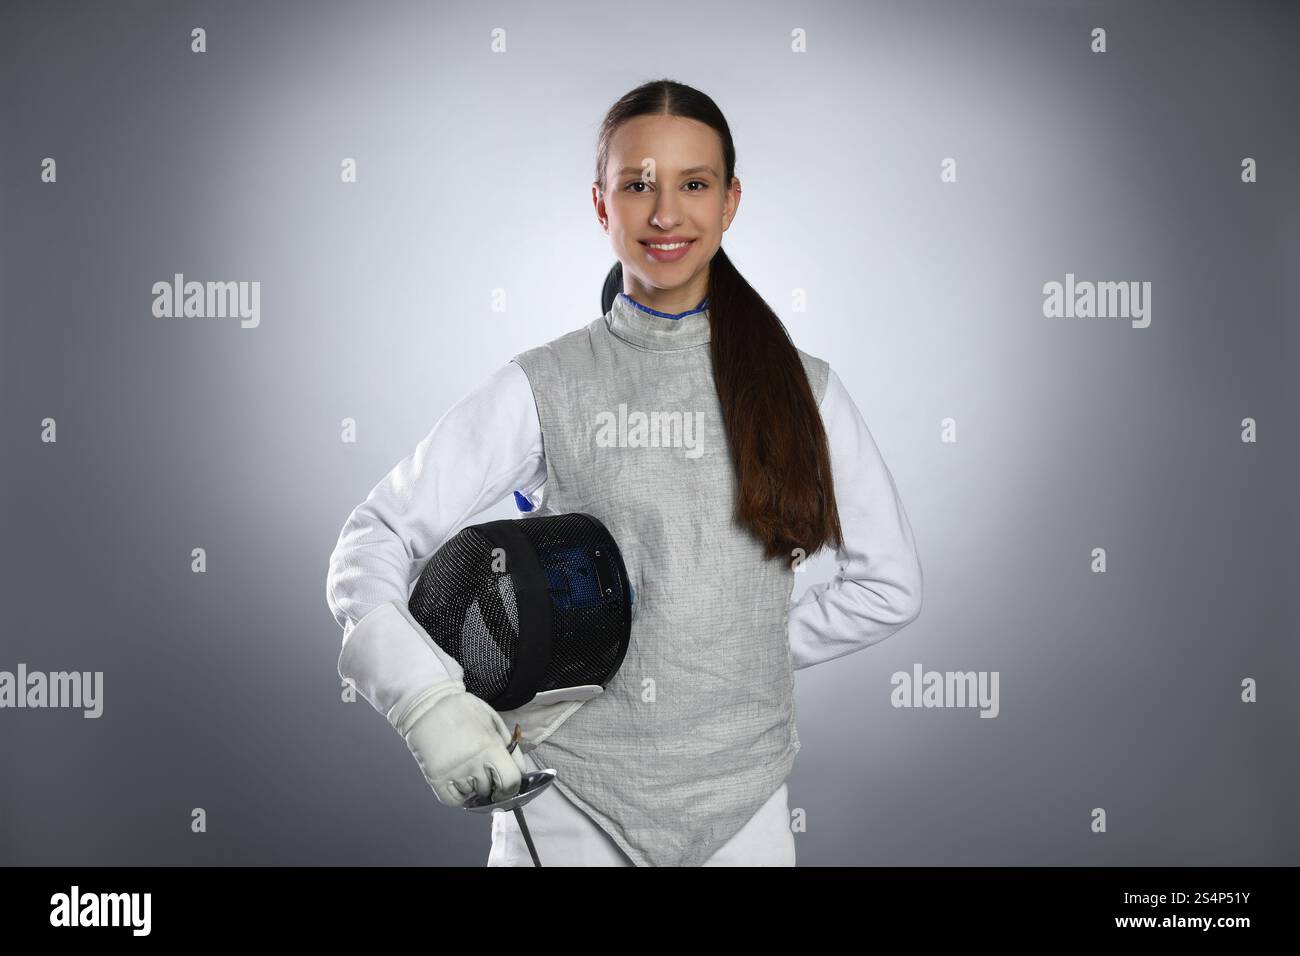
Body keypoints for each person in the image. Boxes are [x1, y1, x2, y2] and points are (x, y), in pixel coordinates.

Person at [325, 79, 923, 867]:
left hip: (744, 811)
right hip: (570, 807)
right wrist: (425, 698)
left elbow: (890, 586)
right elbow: (374, 536)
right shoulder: (548, 382)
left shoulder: (803, 389)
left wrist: (733, 648)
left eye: (694, 185)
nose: (666, 213)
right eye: (638, 185)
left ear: (731, 201)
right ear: (602, 206)